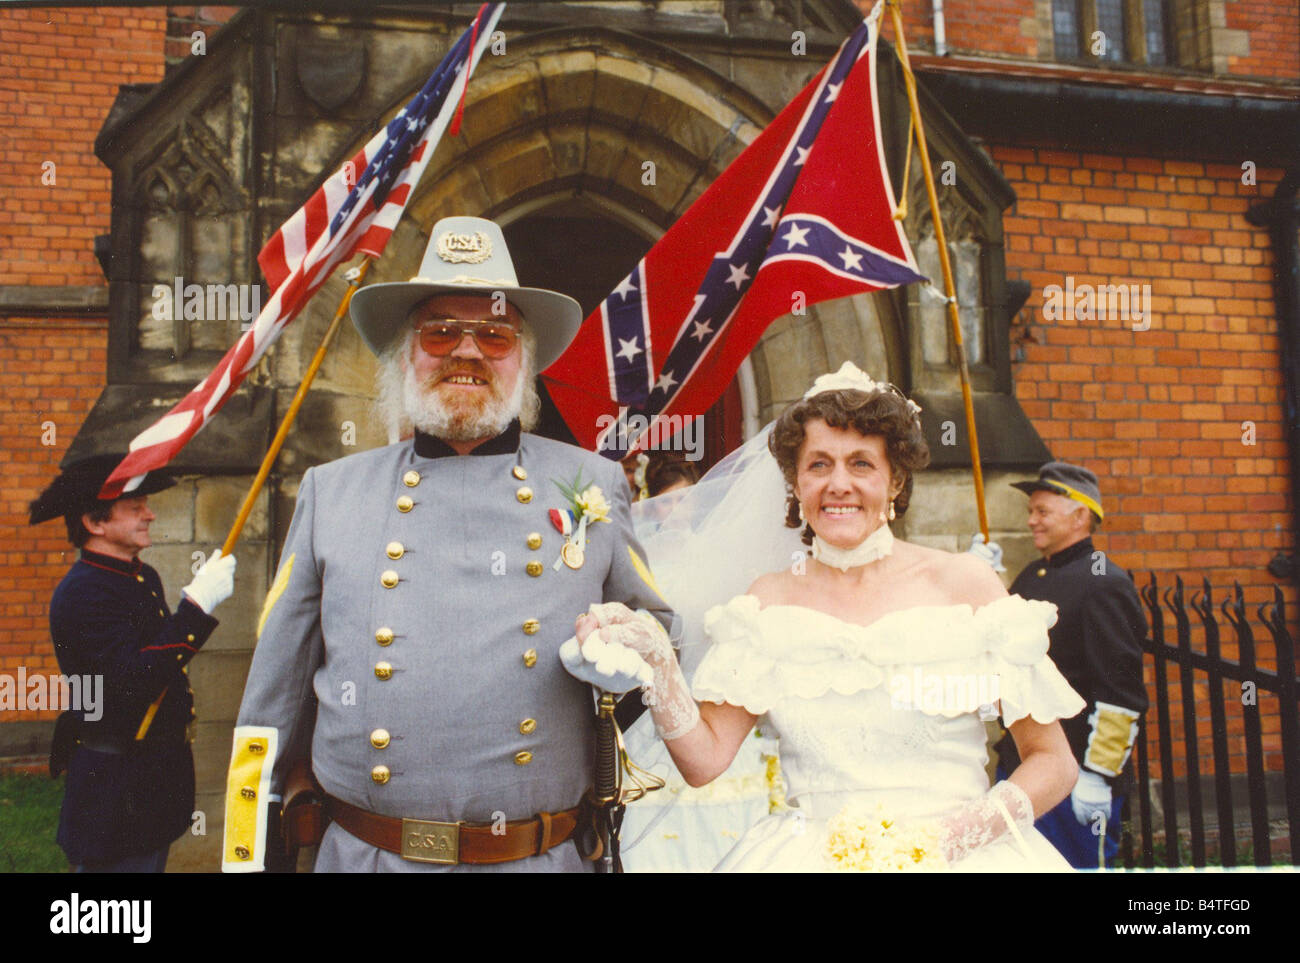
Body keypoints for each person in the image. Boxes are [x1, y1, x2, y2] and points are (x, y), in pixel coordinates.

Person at [222, 216, 675, 873]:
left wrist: (625, 657)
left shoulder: (591, 484)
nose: (468, 351)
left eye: (494, 334)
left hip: (539, 861)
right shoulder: (330, 492)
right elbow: (270, 704)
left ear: (523, 359)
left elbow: (661, 636)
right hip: (367, 858)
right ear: (407, 354)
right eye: (440, 332)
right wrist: (245, 857)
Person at [564, 361, 1085, 870]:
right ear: (795, 483)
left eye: (861, 463)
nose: (839, 483)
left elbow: (1053, 762)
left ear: (896, 481)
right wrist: (658, 663)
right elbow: (704, 762)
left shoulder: (964, 584)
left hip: (961, 855)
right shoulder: (765, 604)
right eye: (819, 464)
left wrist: (942, 844)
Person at [29, 453, 237, 872]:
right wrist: (195, 610)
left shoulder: (140, 576)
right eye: (136, 507)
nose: (151, 514)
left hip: (148, 782)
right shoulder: (84, 592)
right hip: (114, 790)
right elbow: (130, 683)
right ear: (95, 522)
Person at [997, 462, 1148, 868]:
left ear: (1080, 515)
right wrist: (986, 576)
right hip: (1023, 768)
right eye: (1032, 511)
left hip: (1075, 778)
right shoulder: (1034, 573)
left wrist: (1099, 773)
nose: (1031, 521)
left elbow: (1121, 693)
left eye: (1042, 512)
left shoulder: (1104, 582)